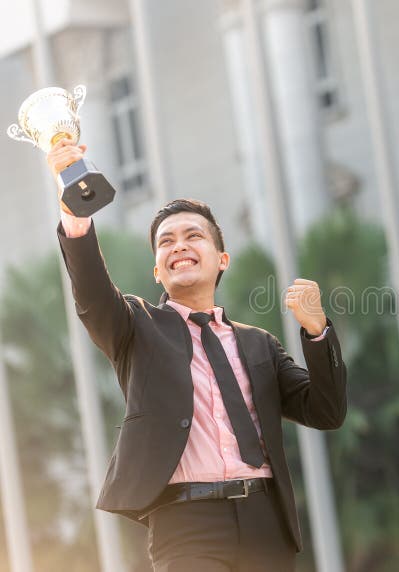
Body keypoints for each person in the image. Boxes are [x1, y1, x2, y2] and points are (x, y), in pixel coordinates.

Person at [47, 138, 347, 571]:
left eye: (193, 236)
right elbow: (92, 293)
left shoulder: (260, 344)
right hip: (186, 523)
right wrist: (75, 210)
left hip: (267, 522)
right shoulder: (136, 326)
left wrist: (317, 331)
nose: (179, 246)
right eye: (166, 242)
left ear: (221, 259)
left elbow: (327, 410)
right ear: (157, 268)